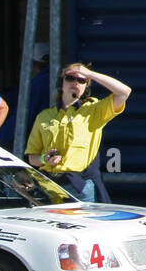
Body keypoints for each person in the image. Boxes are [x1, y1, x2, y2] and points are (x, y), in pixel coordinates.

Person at [26, 62, 130, 203]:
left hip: (80, 187)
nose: (75, 82)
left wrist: (89, 74)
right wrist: (45, 159)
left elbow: (124, 92)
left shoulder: (93, 110)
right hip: (50, 187)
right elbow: (32, 158)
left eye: (81, 80)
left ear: (85, 87)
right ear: (61, 82)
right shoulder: (45, 116)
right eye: (70, 78)